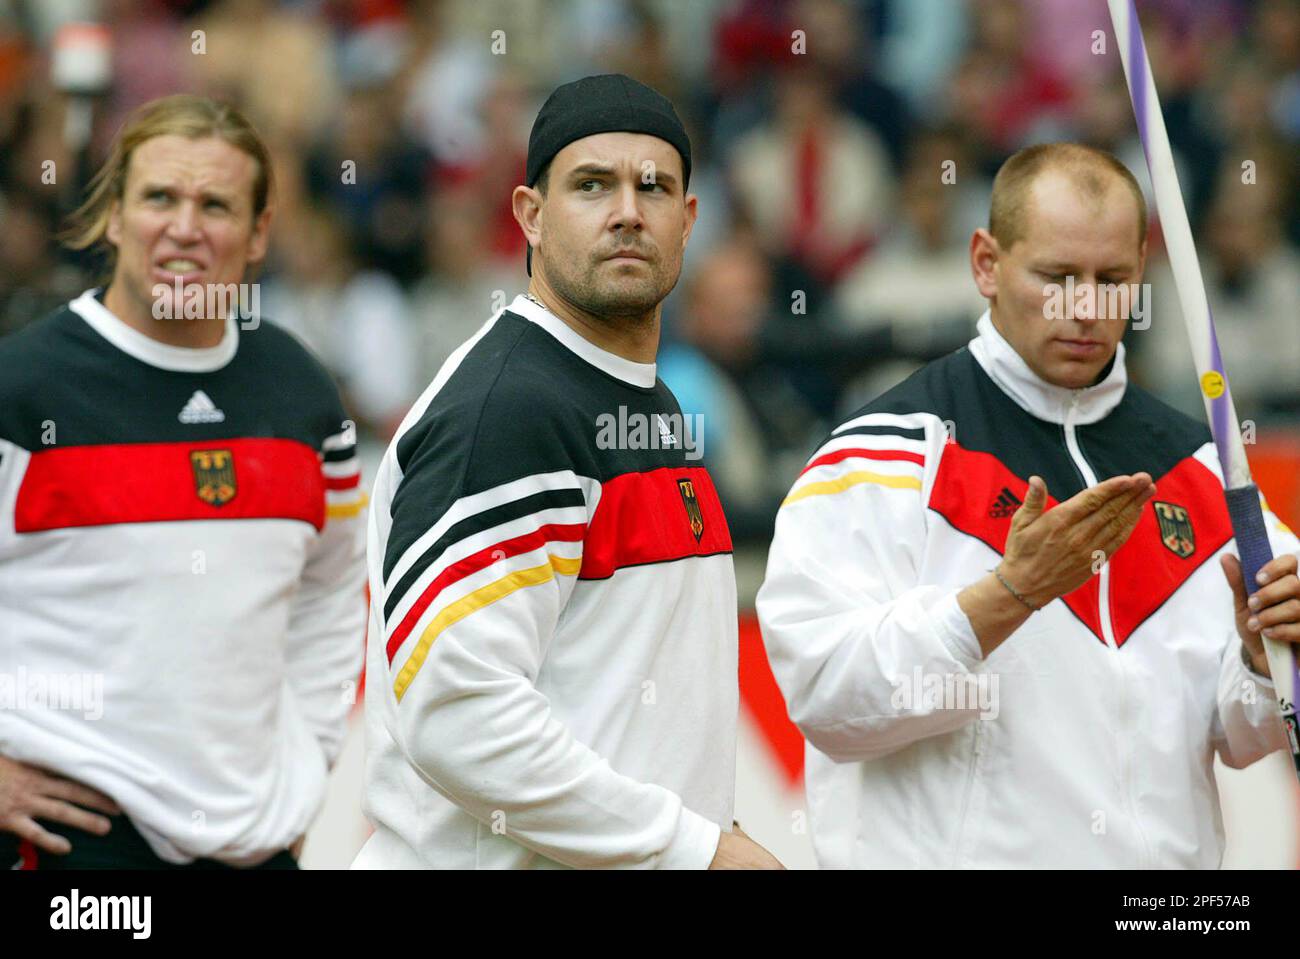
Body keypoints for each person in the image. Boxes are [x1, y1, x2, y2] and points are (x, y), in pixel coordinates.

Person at [757, 142, 1300, 868]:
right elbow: (825, 698)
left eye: (1111, 279)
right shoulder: (880, 453)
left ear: (1144, 271)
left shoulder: (1205, 467)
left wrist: (1265, 663)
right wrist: (1007, 596)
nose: (1085, 306)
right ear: (986, 262)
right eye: (1056, 275)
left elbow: (1242, 730)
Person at [355, 73, 781, 869]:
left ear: (688, 221)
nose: (627, 210)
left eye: (653, 187)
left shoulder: (638, 396)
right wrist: (695, 849)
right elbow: (458, 711)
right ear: (531, 215)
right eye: (592, 184)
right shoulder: (507, 408)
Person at [0, 95, 367, 869]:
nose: (185, 227)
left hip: (257, 841)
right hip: (69, 840)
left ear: (259, 231)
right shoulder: (21, 388)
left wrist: (307, 763)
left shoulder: (302, 395)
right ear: (113, 216)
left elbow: (335, 591)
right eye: (159, 197)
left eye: (216, 204)